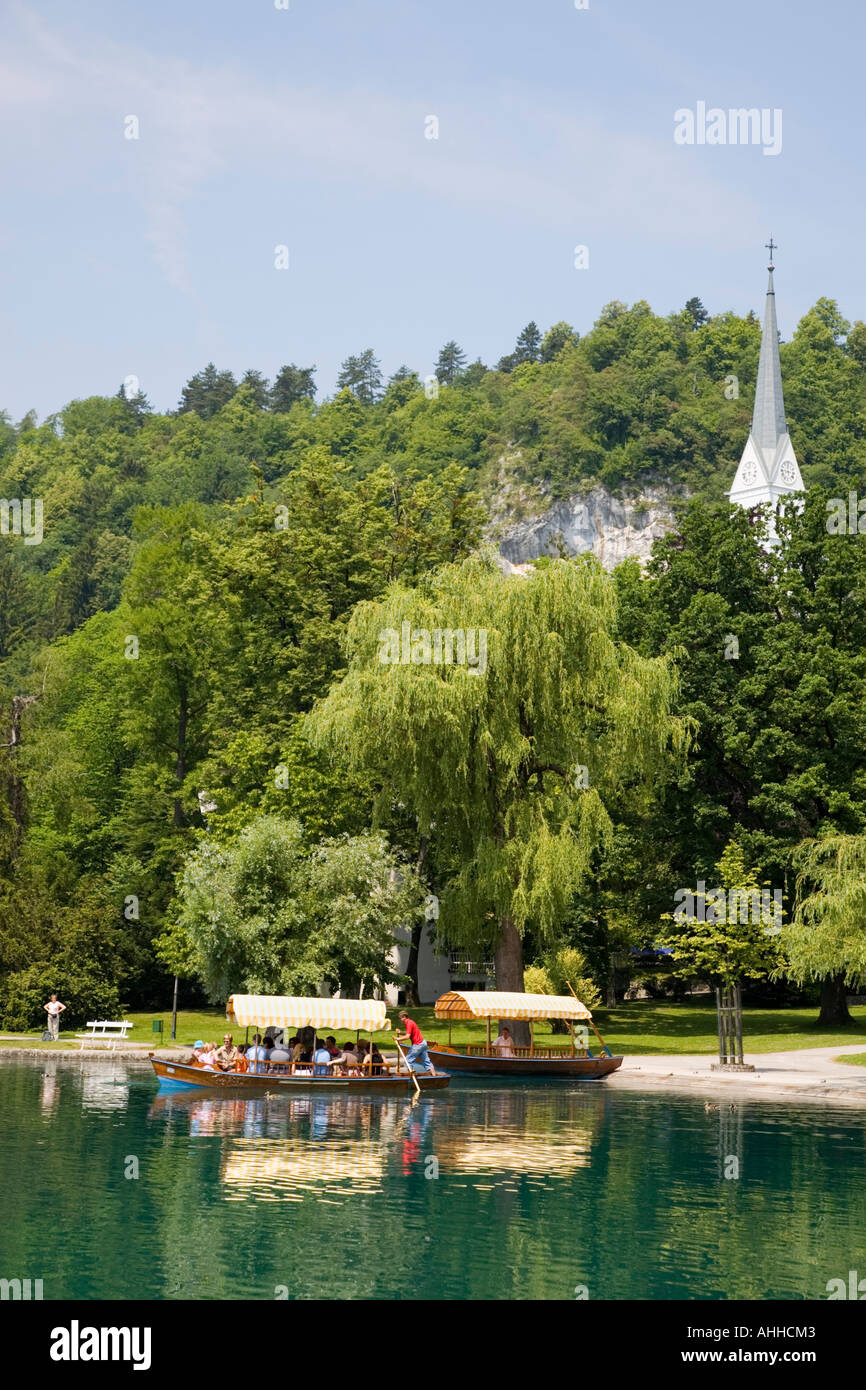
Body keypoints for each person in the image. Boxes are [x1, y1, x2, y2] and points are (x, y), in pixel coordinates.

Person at [396, 1010, 434, 1074]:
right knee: (426, 1061)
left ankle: (411, 1078)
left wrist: (398, 1038)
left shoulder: (408, 1023)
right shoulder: (410, 1022)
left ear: (404, 1017)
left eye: (400, 1018)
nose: (400, 1020)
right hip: (423, 1043)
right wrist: (400, 1033)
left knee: (408, 1060)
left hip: (418, 1044)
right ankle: (434, 1076)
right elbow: (409, 1033)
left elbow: (407, 1036)